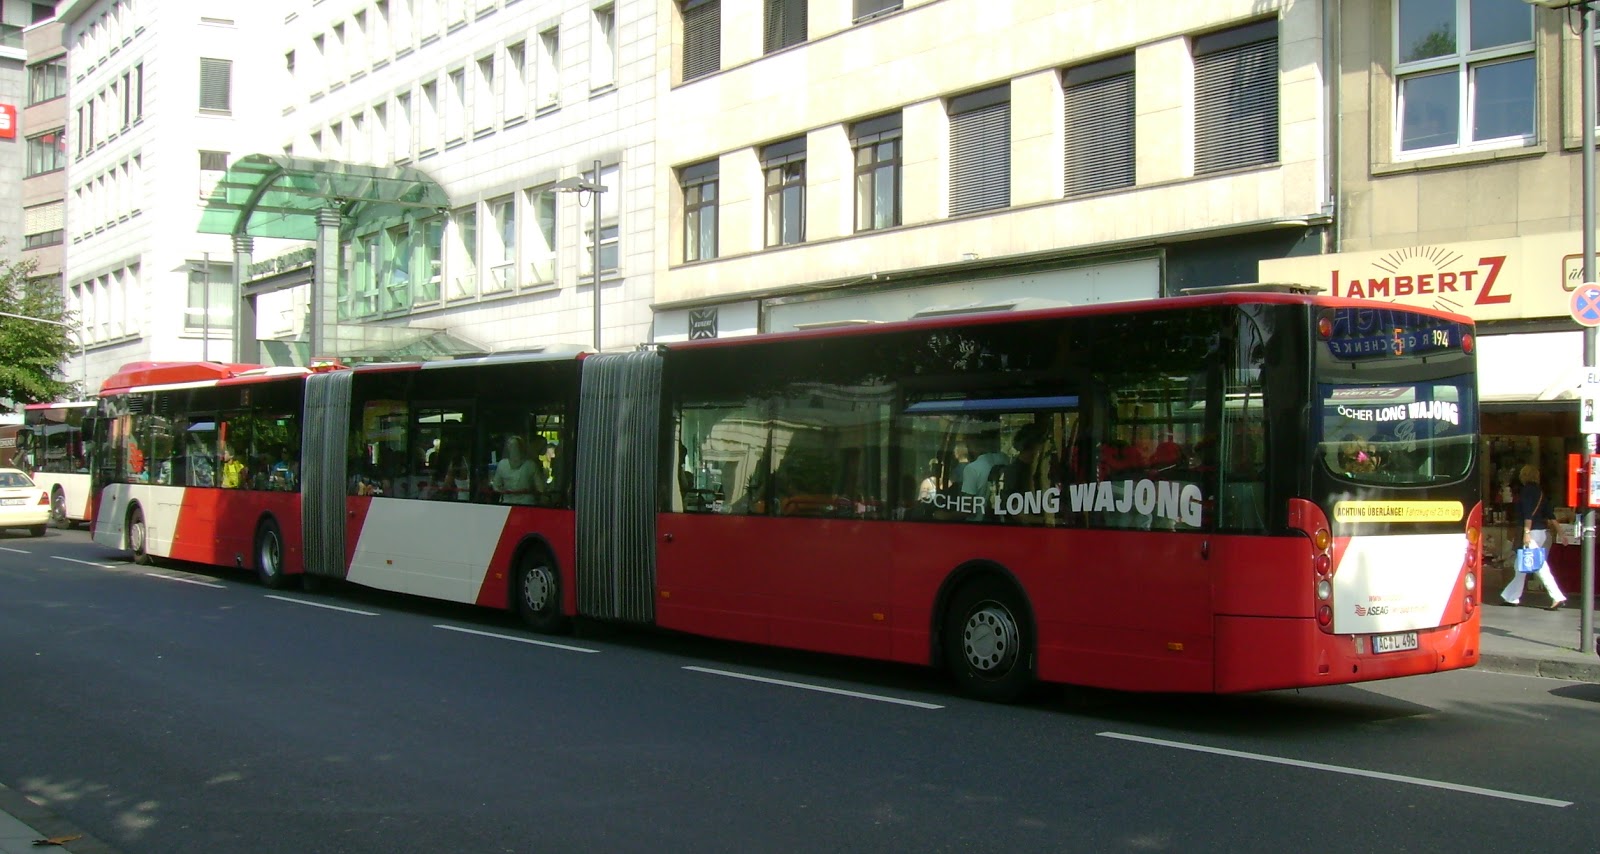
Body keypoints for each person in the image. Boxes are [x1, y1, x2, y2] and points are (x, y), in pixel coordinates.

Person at [1500, 463, 1566, 609]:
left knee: (1539, 567)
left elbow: (1528, 514)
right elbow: (1550, 514)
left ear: (1524, 476)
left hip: (1531, 533)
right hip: (1541, 533)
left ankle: (1557, 596)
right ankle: (1512, 597)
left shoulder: (1526, 492)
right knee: (1520, 566)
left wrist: (1526, 532)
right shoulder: (1540, 492)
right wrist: (1561, 532)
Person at [491, 435, 540, 505]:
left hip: (526, 504)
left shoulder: (530, 465)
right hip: (507, 503)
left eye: (515, 447)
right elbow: (496, 486)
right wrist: (505, 491)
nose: (513, 450)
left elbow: (540, 489)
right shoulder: (502, 464)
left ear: (521, 448)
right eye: (511, 447)